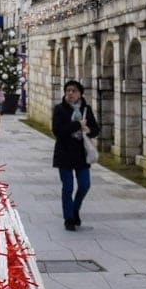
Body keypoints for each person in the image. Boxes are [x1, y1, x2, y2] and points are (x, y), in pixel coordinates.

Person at [51, 79, 99, 230]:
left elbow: (96, 129)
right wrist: (77, 125)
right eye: (68, 91)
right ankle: (69, 218)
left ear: (80, 94)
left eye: (73, 91)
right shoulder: (59, 109)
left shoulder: (86, 109)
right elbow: (58, 131)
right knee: (68, 187)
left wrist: (88, 130)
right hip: (64, 152)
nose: (70, 93)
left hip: (81, 153)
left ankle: (75, 209)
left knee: (85, 185)